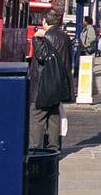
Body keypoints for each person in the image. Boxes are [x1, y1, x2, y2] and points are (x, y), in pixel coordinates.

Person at [28, 9, 74, 149]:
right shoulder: (65, 37)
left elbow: (42, 57)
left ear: (44, 21)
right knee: (54, 118)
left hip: (43, 84)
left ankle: (35, 150)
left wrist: (36, 38)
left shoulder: (44, 37)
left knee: (37, 118)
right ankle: (53, 150)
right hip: (58, 84)